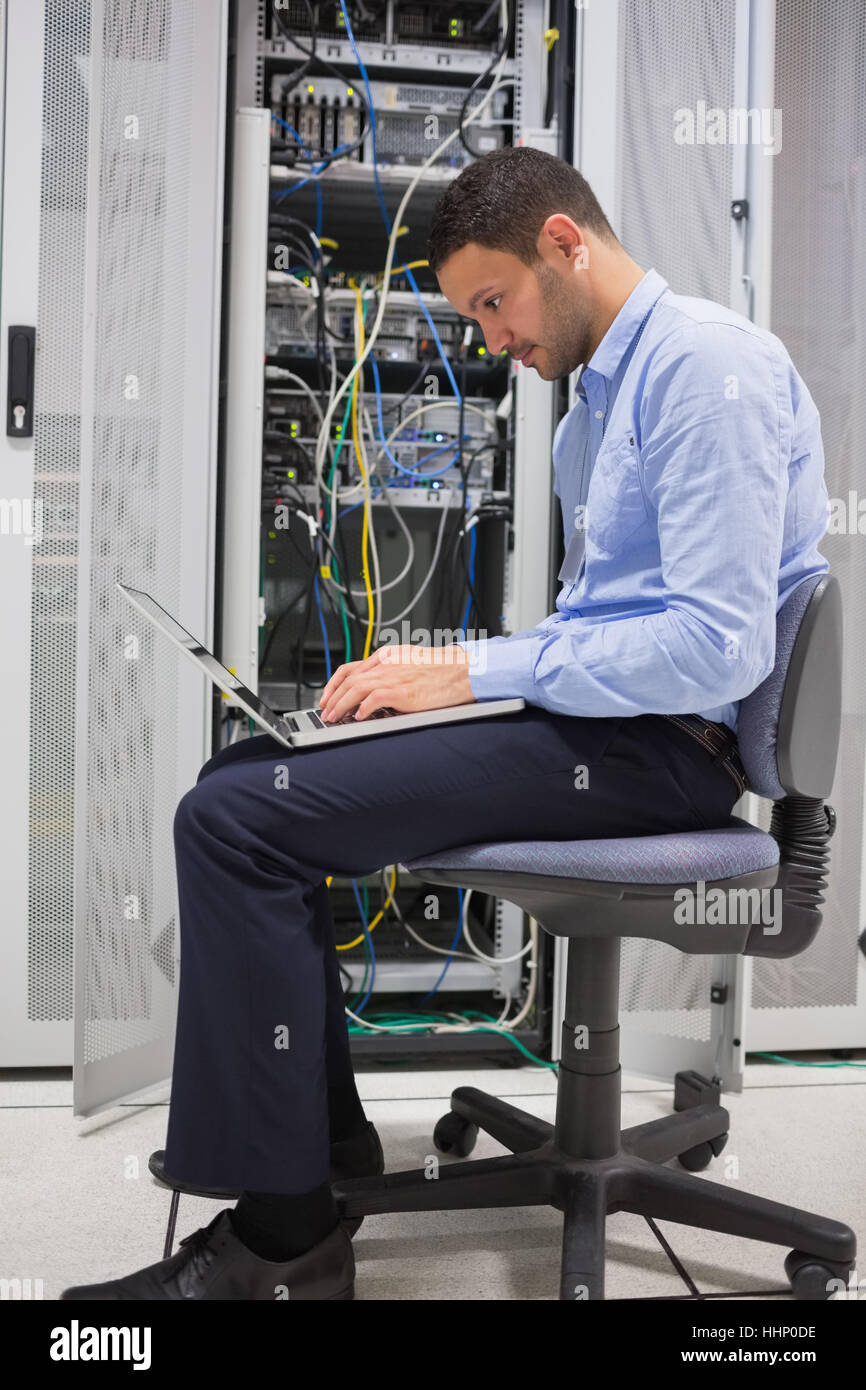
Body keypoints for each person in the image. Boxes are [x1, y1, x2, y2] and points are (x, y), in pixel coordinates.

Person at [60, 144, 828, 1300]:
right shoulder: (600, 403)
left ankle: (284, 1243)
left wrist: (465, 673)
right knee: (239, 785)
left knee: (235, 825)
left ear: (563, 245)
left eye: (491, 303)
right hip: (605, 732)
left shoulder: (706, 371)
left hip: (660, 753)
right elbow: (599, 631)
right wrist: (463, 677)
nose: (488, 339)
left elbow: (716, 647)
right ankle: (318, 1152)